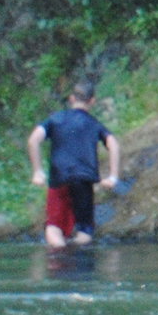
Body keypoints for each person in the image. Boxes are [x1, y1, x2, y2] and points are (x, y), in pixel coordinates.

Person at [27, 84, 120, 250]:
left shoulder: (55, 119)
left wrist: (38, 171)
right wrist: (113, 177)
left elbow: (33, 139)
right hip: (84, 179)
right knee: (85, 230)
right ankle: (75, 250)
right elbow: (113, 144)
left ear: (71, 99)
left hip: (59, 177)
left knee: (54, 226)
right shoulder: (94, 124)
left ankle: (59, 250)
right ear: (92, 101)